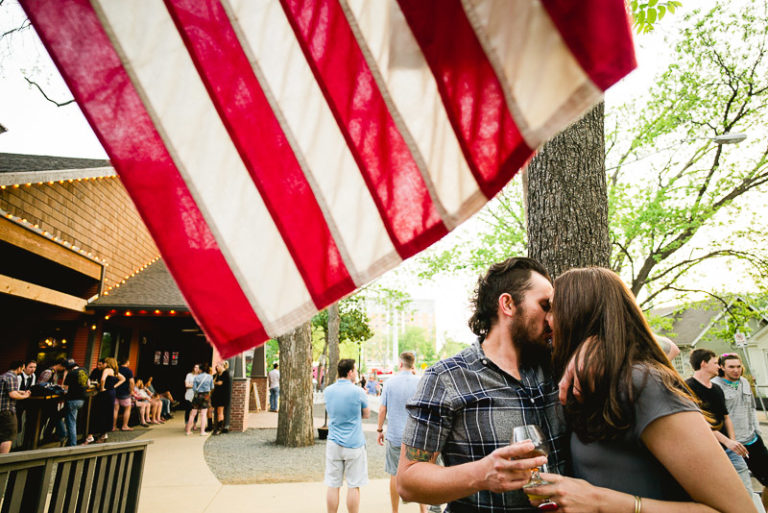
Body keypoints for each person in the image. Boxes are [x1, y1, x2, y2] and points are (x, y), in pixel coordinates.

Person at [524, 267, 755, 512]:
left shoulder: (643, 383)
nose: (546, 318)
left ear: (577, 312)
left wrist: (601, 502)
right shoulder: (589, 382)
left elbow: (739, 509)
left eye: (551, 307)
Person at [397, 257, 562, 512]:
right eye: (544, 306)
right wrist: (481, 473)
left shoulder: (558, 366)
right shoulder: (446, 379)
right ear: (507, 304)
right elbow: (408, 481)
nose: (552, 319)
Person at [685, 348, 757, 496]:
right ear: (704, 364)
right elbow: (699, 423)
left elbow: (726, 417)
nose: (719, 366)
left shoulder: (716, 388)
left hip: (729, 448)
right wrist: (726, 441)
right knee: (721, 492)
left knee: (746, 491)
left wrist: (732, 442)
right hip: (708, 450)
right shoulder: (687, 388)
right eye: (716, 363)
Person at [713, 353, 768, 509]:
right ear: (722, 367)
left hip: (753, 440)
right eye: (731, 367)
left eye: (738, 367)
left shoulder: (744, 382)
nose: (736, 370)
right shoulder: (714, 386)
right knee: (741, 490)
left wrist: (757, 431)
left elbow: (750, 407)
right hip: (733, 447)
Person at [377, 351, 427, 513]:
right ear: (413, 365)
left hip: (395, 435)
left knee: (394, 473)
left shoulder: (390, 383)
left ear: (400, 364)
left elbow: (382, 409)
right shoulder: (421, 382)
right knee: (419, 474)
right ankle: (423, 509)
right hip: (416, 436)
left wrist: (379, 430)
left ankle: (395, 511)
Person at [324, 358, 370, 513]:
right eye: (355, 370)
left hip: (334, 442)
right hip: (354, 443)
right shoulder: (358, 392)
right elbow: (367, 414)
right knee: (353, 484)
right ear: (350, 372)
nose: (356, 373)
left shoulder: (328, 391)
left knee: (333, 484)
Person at [90, 357, 125, 443]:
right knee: (108, 412)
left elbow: (102, 379)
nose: (104, 364)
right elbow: (123, 379)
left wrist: (102, 388)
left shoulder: (107, 370)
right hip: (112, 392)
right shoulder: (114, 371)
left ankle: (100, 434)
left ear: (108, 363)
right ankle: (104, 433)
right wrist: (114, 386)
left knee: (101, 412)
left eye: (105, 362)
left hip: (105, 393)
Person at [0, 361, 31, 453]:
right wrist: (24, 396)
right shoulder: (13, 376)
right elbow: (12, 394)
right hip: (7, 410)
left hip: (1, 409)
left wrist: (20, 391)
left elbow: (7, 390)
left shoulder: (3, 376)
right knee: (8, 436)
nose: (22, 371)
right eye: (23, 368)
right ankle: (3, 461)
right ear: (19, 367)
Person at [57, 359, 89, 446]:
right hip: (81, 400)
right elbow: (88, 384)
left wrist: (65, 375)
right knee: (58, 416)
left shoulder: (71, 373)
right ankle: (63, 435)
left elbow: (65, 388)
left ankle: (72, 443)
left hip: (72, 400)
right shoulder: (84, 370)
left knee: (71, 422)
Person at [185, 363, 213, 436]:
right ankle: (202, 431)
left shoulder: (196, 377)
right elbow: (211, 387)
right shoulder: (210, 377)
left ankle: (188, 431)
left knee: (193, 413)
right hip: (206, 395)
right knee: (203, 414)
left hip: (197, 396)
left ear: (200, 370)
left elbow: (194, 389)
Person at [113, 358, 134, 431]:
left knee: (115, 409)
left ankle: (113, 426)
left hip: (115, 391)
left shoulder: (116, 369)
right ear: (127, 362)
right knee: (127, 408)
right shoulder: (128, 371)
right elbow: (131, 382)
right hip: (124, 392)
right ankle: (124, 426)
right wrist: (131, 391)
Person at [211, 361, 231, 435]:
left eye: (218, 366)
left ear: (222, 366)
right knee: (216, 412)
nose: (216, 367)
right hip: (216, 396)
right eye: (216, 366)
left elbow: (220, 383)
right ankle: (214, 426)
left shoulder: (225, 373)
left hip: (223, 396)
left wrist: (214, 383)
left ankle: (219, 428)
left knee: (220, 412)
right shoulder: (216, 375)